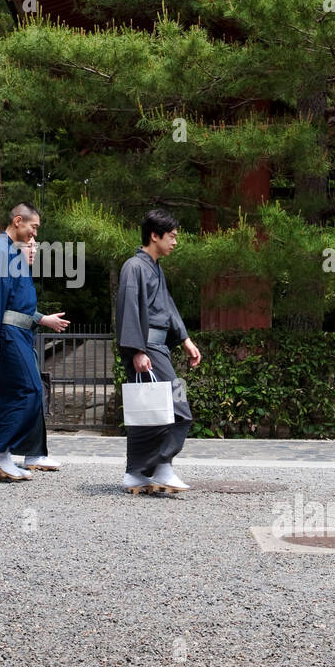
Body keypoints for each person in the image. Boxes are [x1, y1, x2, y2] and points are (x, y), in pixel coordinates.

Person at [0, 203, 70, 481]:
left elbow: (16, 304)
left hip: (17, 333)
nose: (35, 236)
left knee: (17, 394)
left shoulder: (11, 254)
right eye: (33, 228)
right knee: (30, 391)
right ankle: (0, 449)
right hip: (7, 335)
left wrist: (42, 319)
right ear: (18, 221)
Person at [115, 208, 202, 494]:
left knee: (149, 413)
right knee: (178, 408)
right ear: (155, 235)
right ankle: (162, 468)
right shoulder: (134, 266)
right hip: (147, 348)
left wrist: (185, 340)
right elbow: (129, 309)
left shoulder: (154, 267)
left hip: (156, 347)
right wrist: (137, 351)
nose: (175, 242)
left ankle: (136, 473)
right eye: (172, 236)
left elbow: (168, 309)